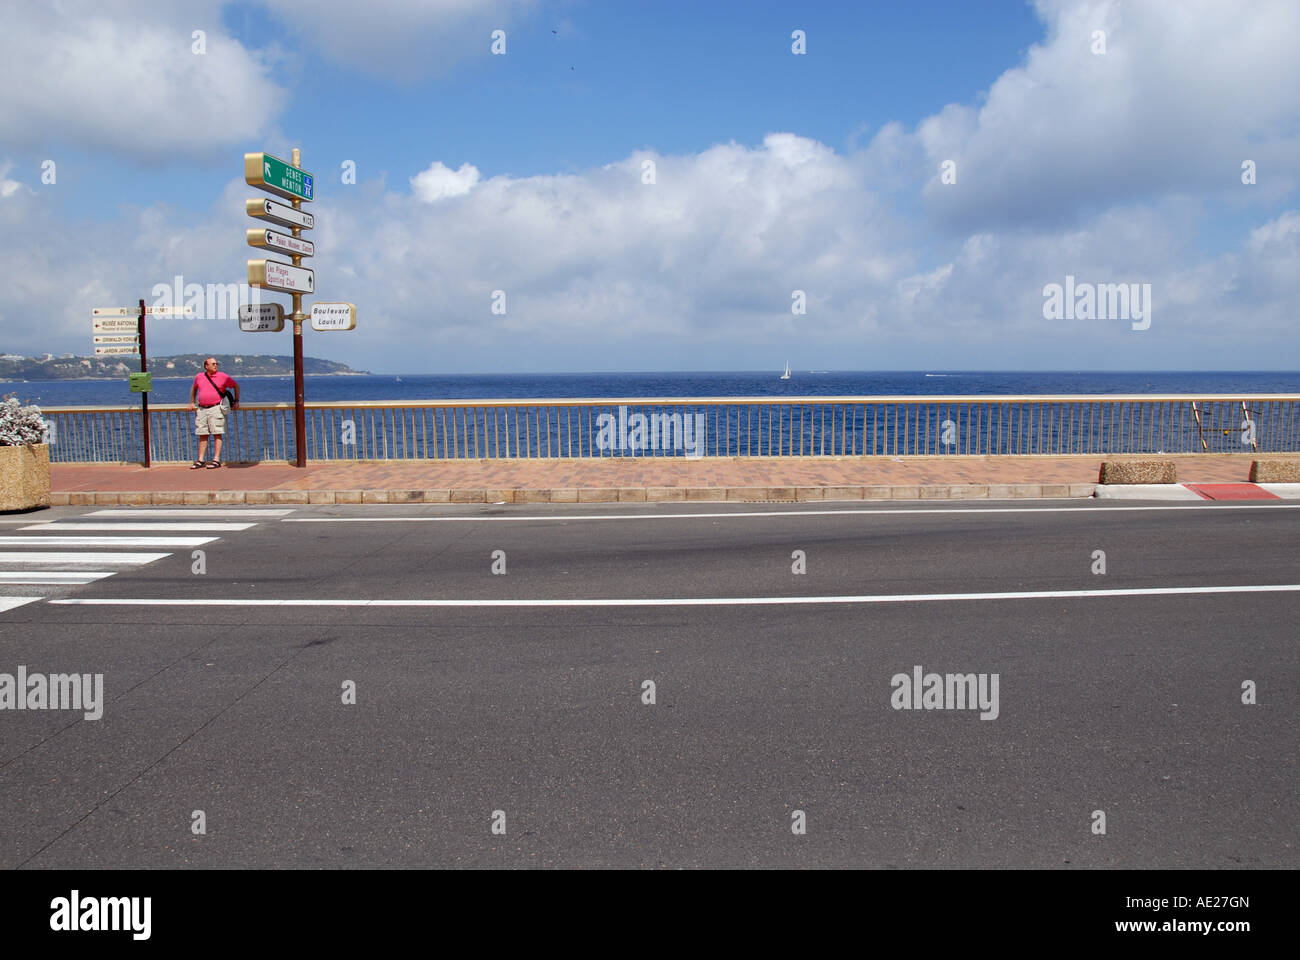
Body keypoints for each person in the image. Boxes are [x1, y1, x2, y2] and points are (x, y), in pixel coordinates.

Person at [188, 357, 240, 468]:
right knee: (202, 434)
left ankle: (216, 460)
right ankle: (200, 460)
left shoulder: (223, 376)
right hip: (202, 409)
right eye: (213, 364)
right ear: (206, 366)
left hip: (215, 408)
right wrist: (192, 402)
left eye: (216, 363)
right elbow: (194, 388)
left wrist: (236, 401)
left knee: (217, 433)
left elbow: (235, 386)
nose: (216, 365)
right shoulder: (199, 377)